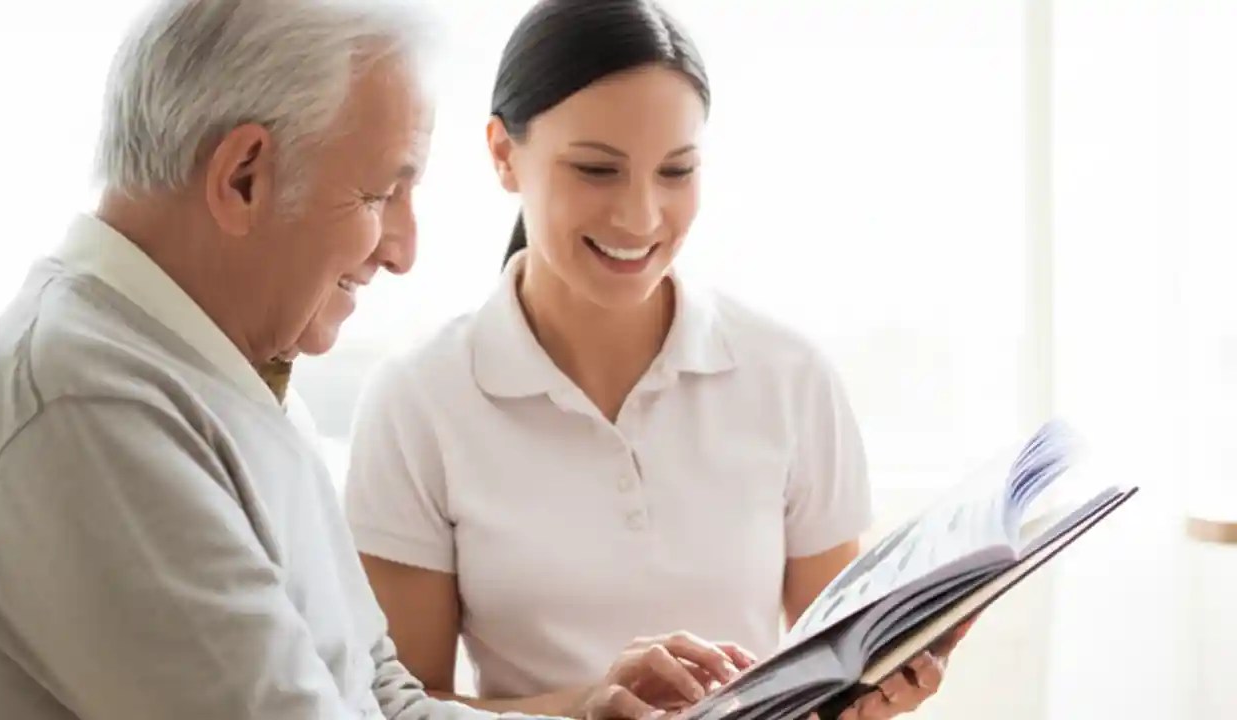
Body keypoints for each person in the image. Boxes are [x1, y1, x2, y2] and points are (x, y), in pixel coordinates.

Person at [0, 1, 734, 718]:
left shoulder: (228, 371)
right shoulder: (87, 407)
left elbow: (381, 697)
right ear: (243, 177)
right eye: (377, 197)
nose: (403, 250)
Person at [343, 2, 968, 719]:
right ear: (502, 154)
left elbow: (835, 666)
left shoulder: (789, 377)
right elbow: (398, 707)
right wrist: (584, 709)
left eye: (676, 172)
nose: (640, 217)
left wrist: (875, 694)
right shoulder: (418, 401)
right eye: (597, 170)